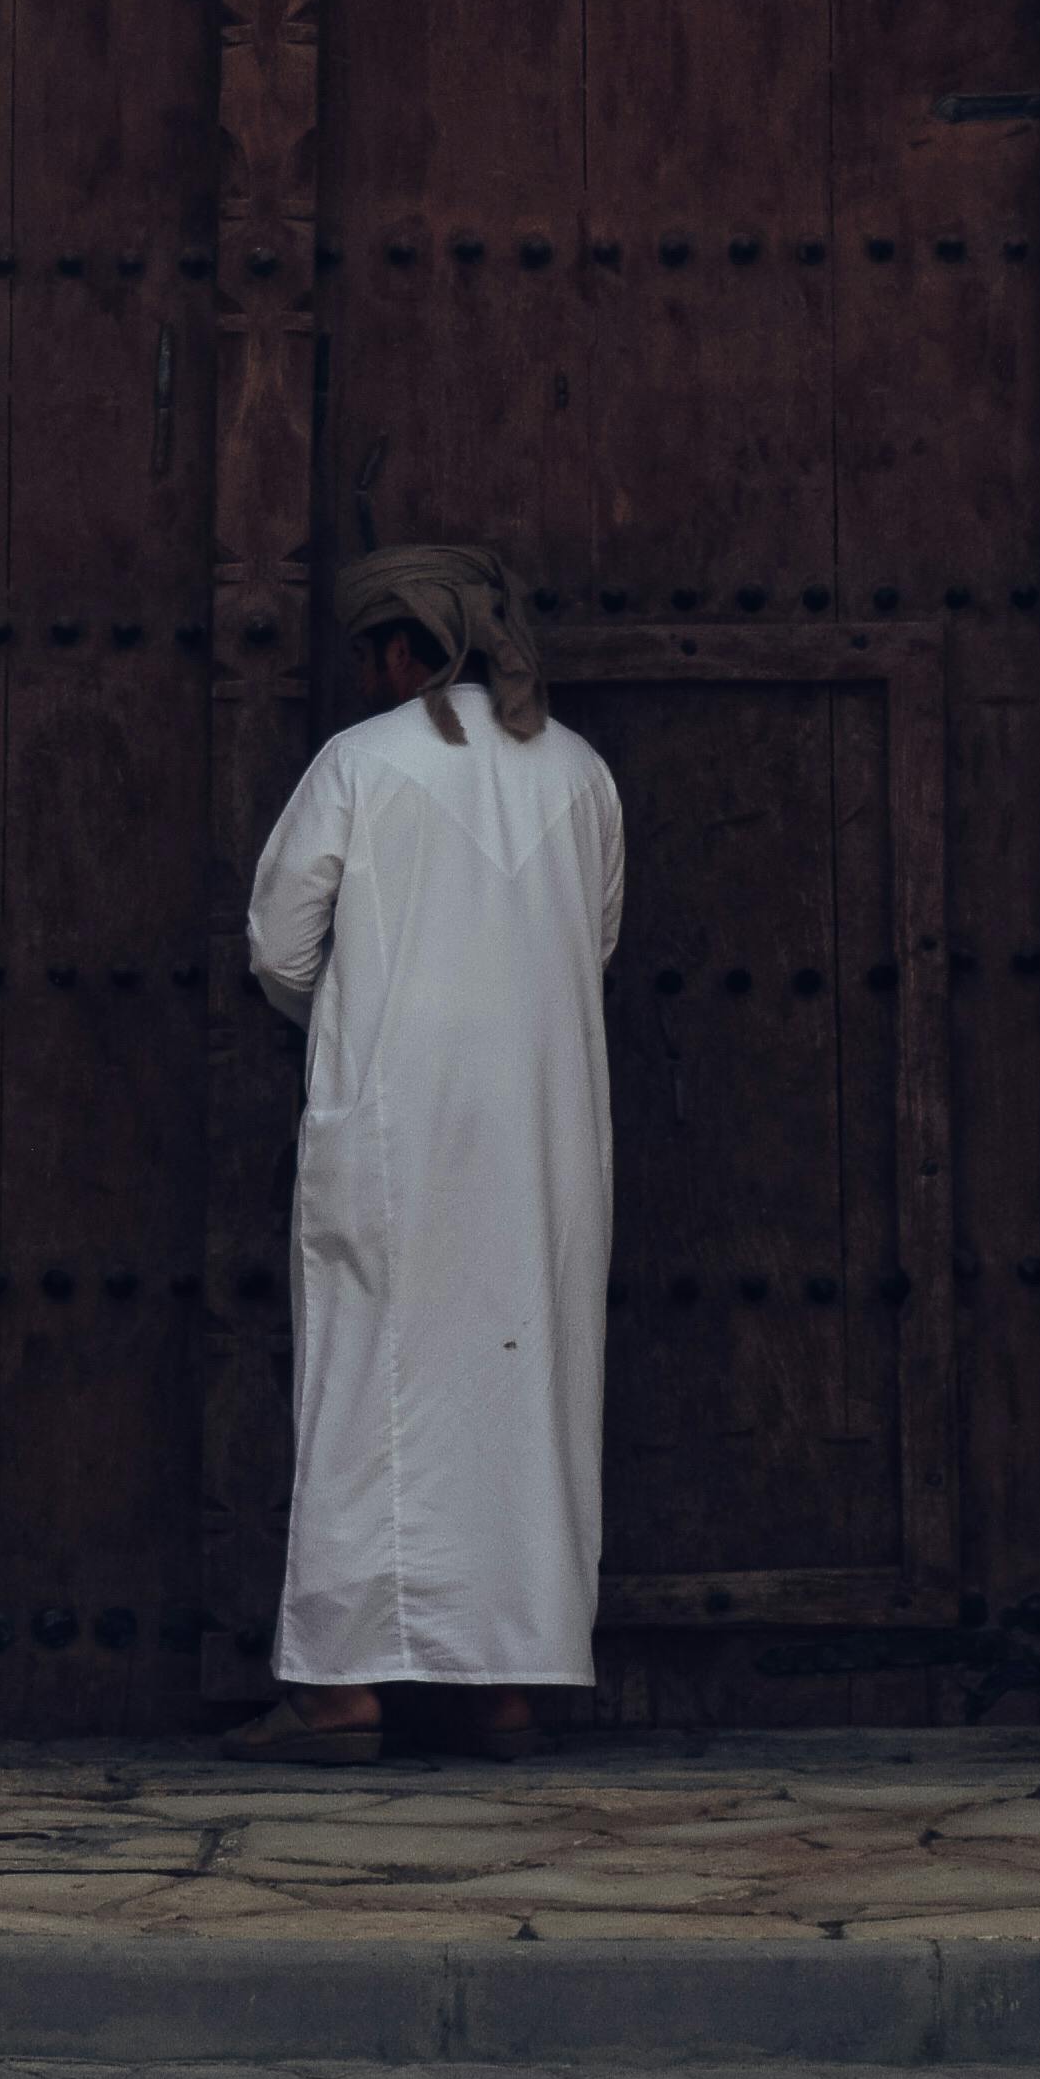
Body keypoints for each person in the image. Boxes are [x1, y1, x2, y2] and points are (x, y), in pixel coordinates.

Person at [223, 541, 626, 1766]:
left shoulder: (359, 762)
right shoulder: (582, 774)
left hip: (397, 1128)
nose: (364, 676)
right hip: (542, 1139)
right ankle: (506, 1688)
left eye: (369, 652)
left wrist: (361, 1020)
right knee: (524, 1394)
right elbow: (592, 941)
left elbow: (280, 947)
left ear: (407, 650)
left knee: (368, 1392)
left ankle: (344, 1696)